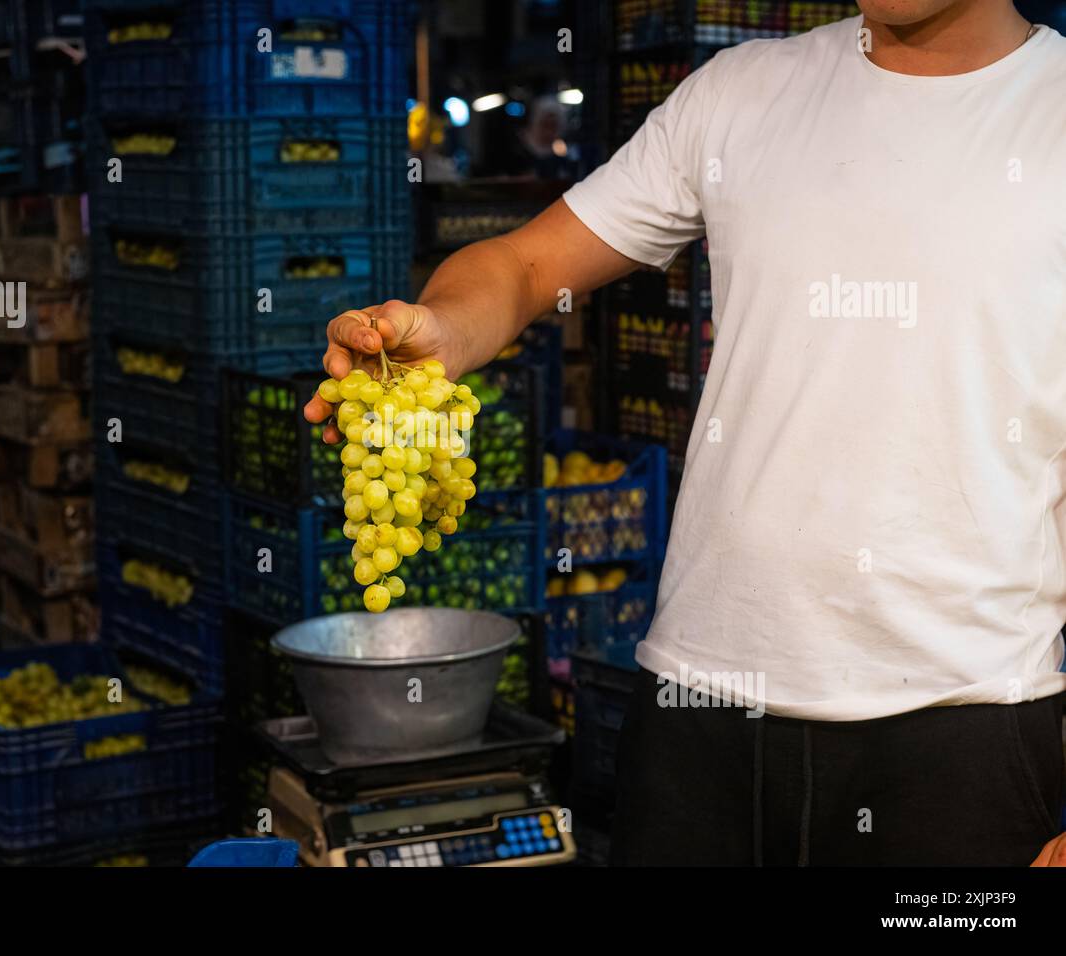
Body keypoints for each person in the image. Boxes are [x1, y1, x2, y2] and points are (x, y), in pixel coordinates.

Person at [305, 0, 1066, 866]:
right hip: (699, 713)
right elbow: (523, 267)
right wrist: (440, 326)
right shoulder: (741, 95)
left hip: (964, 734)